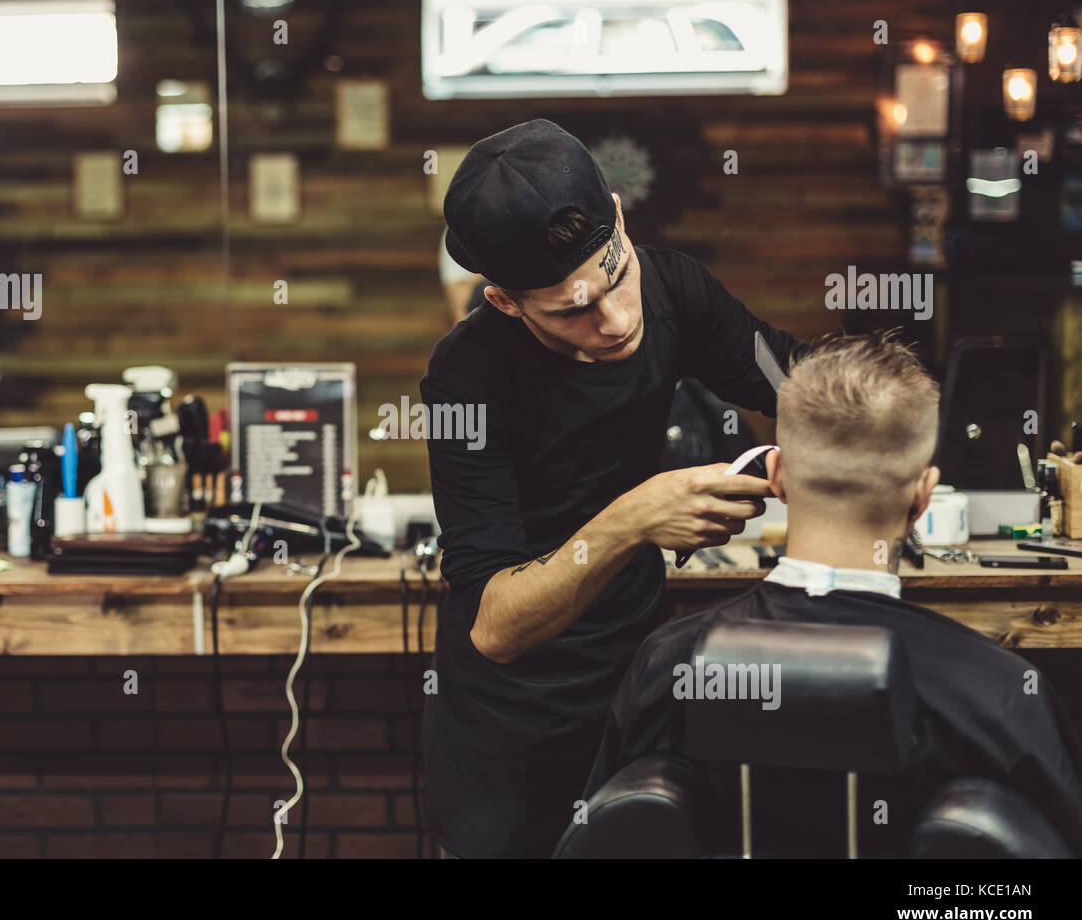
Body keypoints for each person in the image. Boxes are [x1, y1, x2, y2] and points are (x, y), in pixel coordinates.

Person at [420, 118, 805, 858]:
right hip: (511, 730)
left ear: (621, 216)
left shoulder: (672, 287)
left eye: (617, 274)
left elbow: (796, 379)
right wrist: (634, 518)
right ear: (505, 301)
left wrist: (862, 432)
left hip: (632, 688)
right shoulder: (466, 377)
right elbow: (495, 624)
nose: (616, 320)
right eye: (571, 311)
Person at [583, 331, 1082, 856]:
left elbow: (613, 833)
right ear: (922, 495)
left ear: (776, 478)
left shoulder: (668, 667)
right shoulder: (1001, 693)